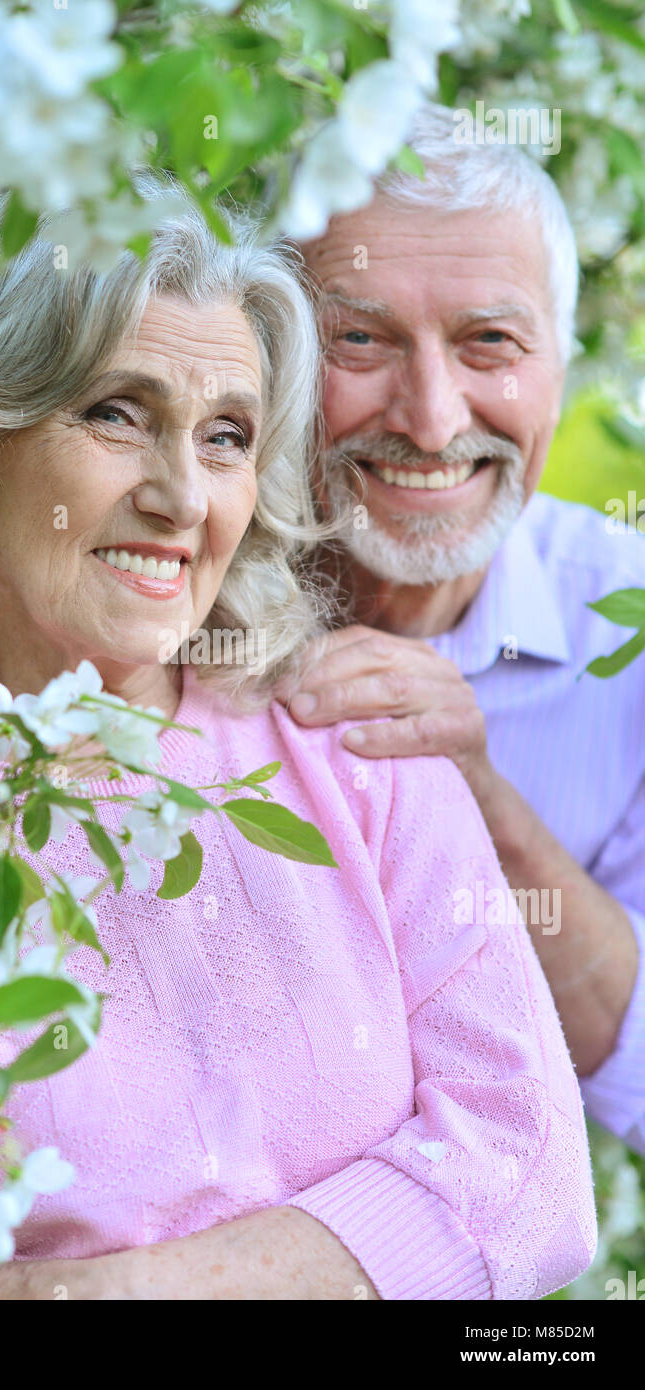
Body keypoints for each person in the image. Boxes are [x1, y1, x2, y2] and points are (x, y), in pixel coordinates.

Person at [0, 188, 596, 1300]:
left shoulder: (353, 748)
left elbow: (532, 1179)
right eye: (117, 413)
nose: (181, 498)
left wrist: (121, 1293)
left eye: (226, 438)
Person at [285, 103, 645, 1158]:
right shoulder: (174, 586)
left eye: (490, 341)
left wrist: (475, 798)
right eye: (359, 339)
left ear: (560, 370)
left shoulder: (629, 627)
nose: (432, 420)